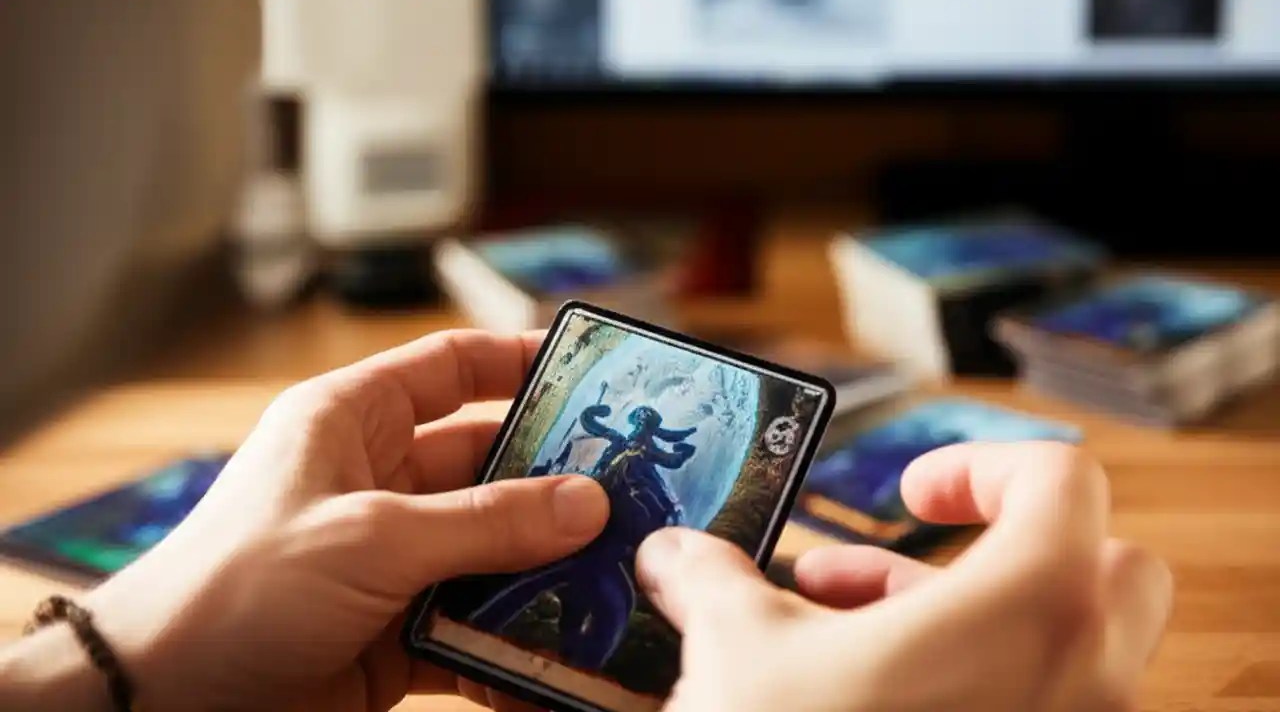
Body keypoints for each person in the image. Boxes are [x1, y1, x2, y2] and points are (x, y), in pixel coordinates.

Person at [0, 329, 1173, 712]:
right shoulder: (630, 464)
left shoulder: (657, 478)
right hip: (612, 535)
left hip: (624, 545)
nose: (669, 417)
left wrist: (124, 664)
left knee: (592, 621)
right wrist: (127, 656)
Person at [464, 404, 695, 671]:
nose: (640, 430)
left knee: (602, 610)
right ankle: (481, 630)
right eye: (639, 421)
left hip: (603, 549)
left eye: (646, 423)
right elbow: (595, 425)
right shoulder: (624, 450)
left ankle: (573, 664)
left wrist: (680, 452)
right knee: (552, 592)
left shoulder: (642, 462)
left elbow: (671, 460)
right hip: (591, 539)